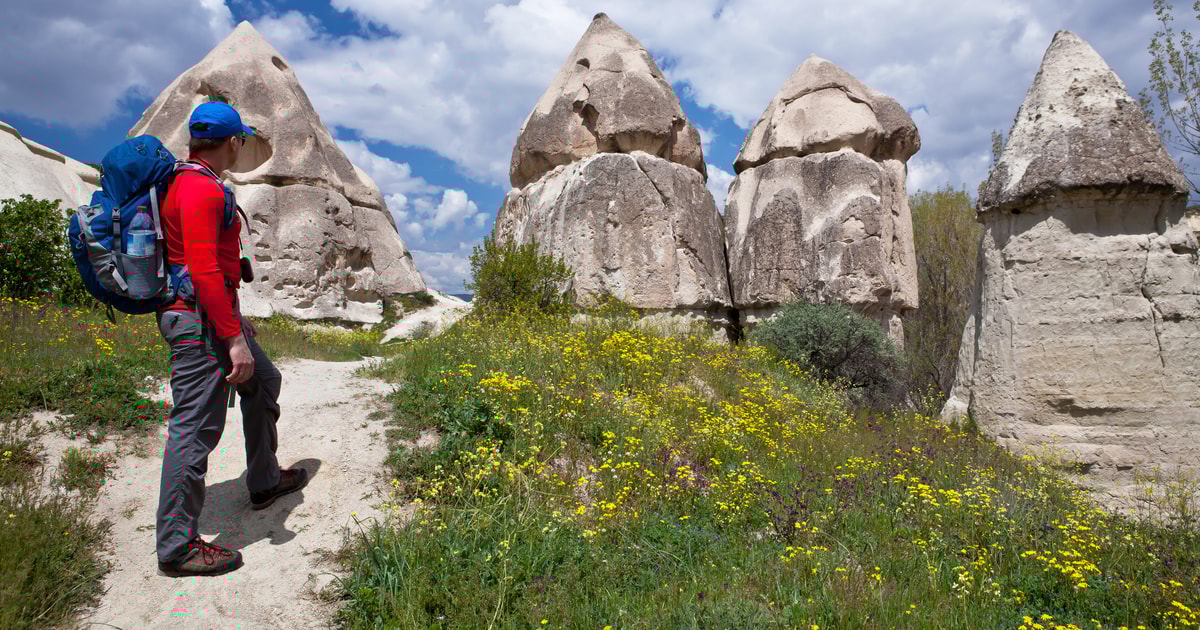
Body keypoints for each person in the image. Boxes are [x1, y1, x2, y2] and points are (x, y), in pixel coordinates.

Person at [155, 101, 308, 578]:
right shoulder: (198, 189)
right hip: (197, 321)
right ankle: (177, 547)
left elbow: (218, 271)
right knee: (195, 428)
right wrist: (232, 339)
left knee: (264, 380)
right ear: (233, 142)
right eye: (241, 139)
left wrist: (239, 325)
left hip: (213, 314)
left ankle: (263, 481)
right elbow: (201, 269)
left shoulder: (191, 182)